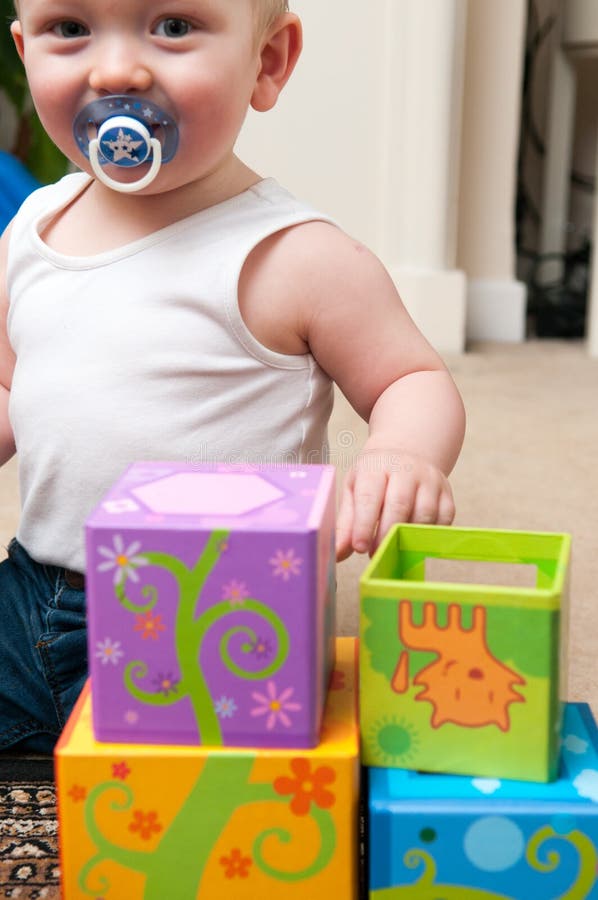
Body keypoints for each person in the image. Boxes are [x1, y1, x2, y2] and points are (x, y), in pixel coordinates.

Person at [0, 0, 466, 752]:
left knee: (204, 795)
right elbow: (11, 383)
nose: (116, 71)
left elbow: (408, 377)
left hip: (215, 609)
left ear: (268, 62)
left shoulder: (295, 255)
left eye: (173, 26)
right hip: (32, 592)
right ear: (25, 53)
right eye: (71, 29)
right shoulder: (33, 228)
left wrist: (403, 454)